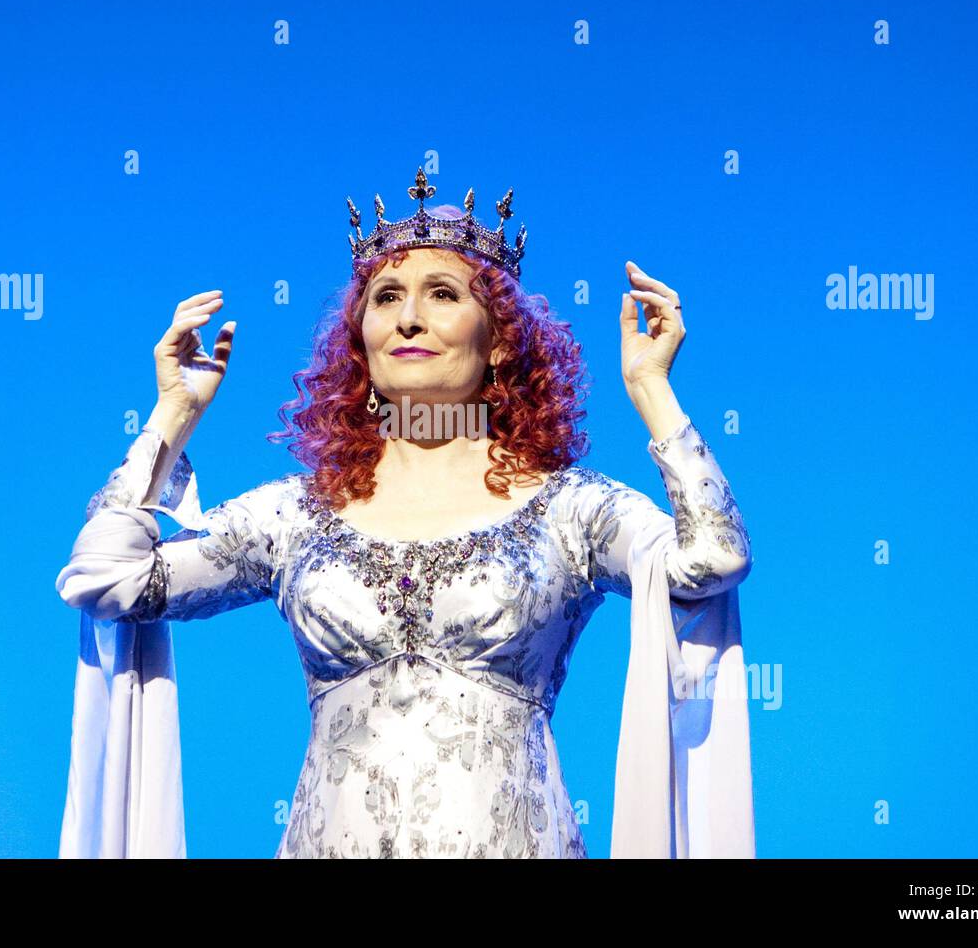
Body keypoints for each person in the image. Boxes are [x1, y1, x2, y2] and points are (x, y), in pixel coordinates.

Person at [54, 167, 756, 858]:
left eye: (442, 294)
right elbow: (105, 578)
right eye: (386, 297)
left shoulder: (572, 510)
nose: (409, 317)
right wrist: (172, 416)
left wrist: (651, 389)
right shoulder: (296, 515)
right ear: (360, 335)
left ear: (501, 337)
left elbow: (712, 558)